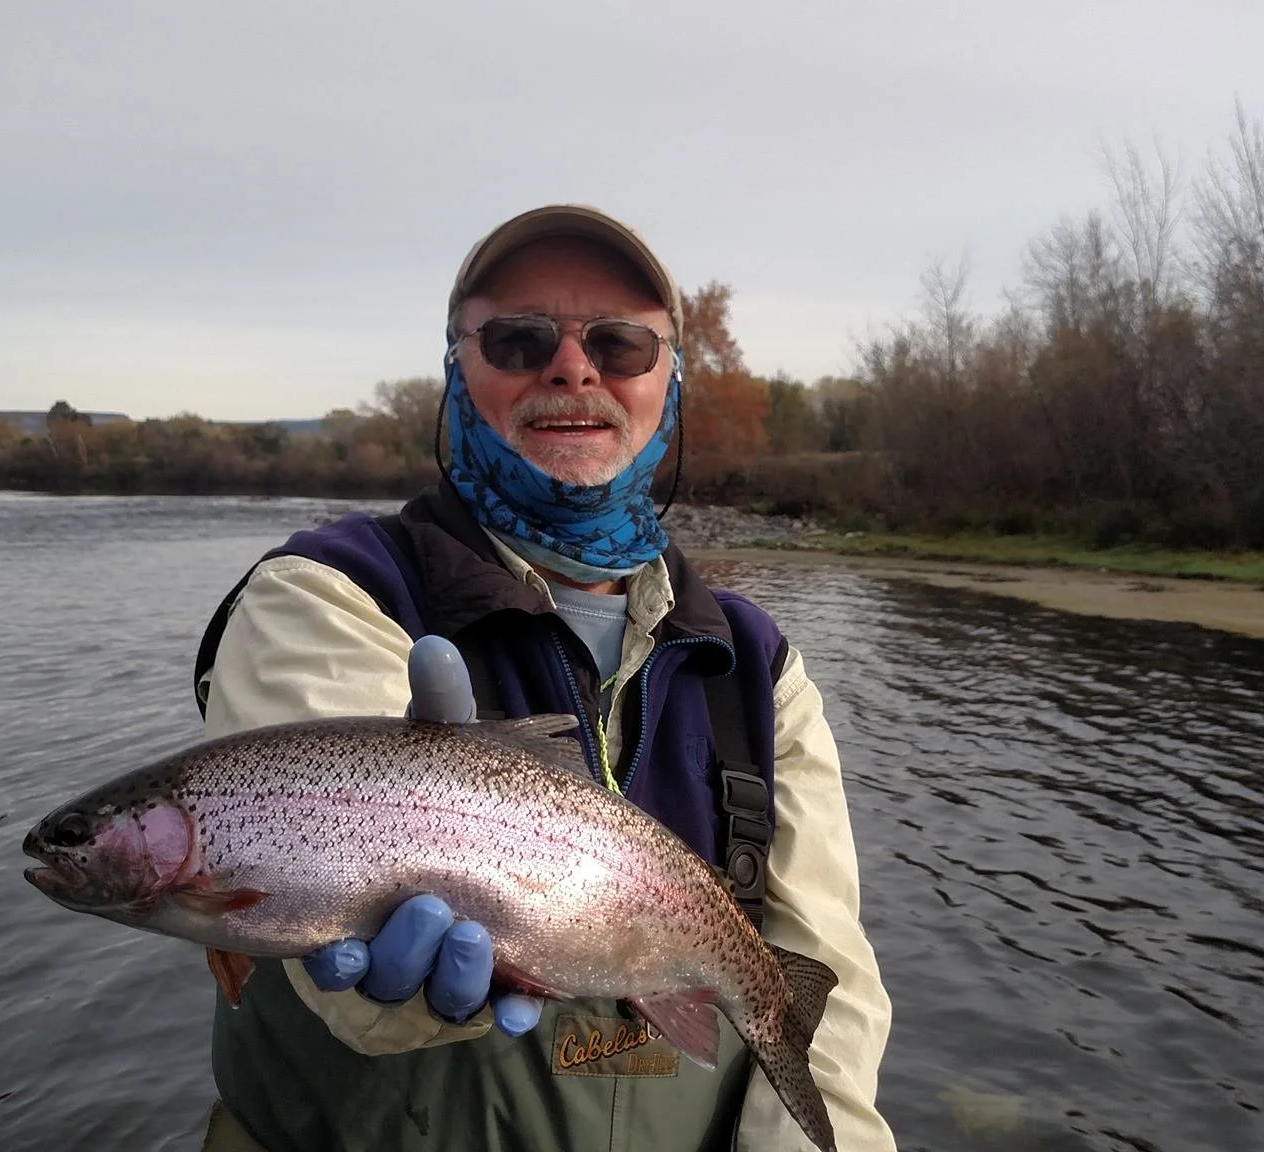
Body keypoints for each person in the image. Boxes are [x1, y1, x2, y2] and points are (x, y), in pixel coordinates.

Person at [192, 205, 894, 1152]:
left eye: (621, 342)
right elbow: (352, 997)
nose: (572, 367)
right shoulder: (328, 596)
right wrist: (407, 990)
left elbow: (827, 1007)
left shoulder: (755, 669)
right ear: (457, 374)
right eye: (519, 340)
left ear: (669, 383)